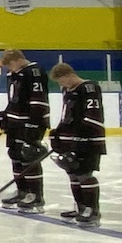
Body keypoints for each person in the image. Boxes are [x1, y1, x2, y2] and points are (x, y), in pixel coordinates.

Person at [47, 62, 105, 225]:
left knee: (84, 174)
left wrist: (81, 137)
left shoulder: (89, 88)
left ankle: (92, 210)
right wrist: (58, 133)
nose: (61, 85)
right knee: (72, 173)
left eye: (61, 81)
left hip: (88, 140)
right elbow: (67, 115)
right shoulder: (68, 90)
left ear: (68, 75)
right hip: (71, 140)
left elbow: (93, 116)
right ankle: (81, 207)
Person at [0, 48, 51, 212]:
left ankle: (36, 195)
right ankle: (22, 191)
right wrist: (6, 115)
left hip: (30, 122)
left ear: (17, 60)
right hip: (15, 122)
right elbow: (14, 99)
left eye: (10, 65)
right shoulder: (15, 74)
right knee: (15, 155)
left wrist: (34, 123)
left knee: (28, 155)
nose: (9, 69)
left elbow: (38, 100)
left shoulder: (34, 72)